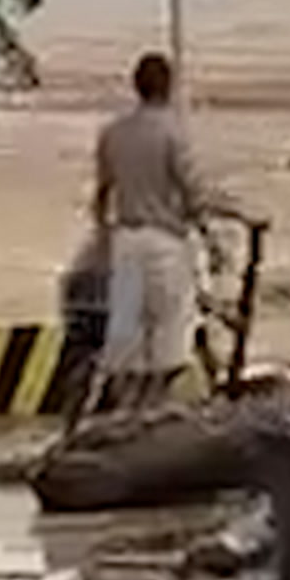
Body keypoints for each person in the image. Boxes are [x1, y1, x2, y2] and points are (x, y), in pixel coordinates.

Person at [93, 53, 259, 411]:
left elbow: (102, 193)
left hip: (125, 240)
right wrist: (229, 223)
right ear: (168, 86)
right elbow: (193, 194)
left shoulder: (113, 134)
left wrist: (102, 239)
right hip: (164, 243)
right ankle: (151, 408)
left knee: (127, 339)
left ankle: (127, 412)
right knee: (171, 338)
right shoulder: (172, 133)